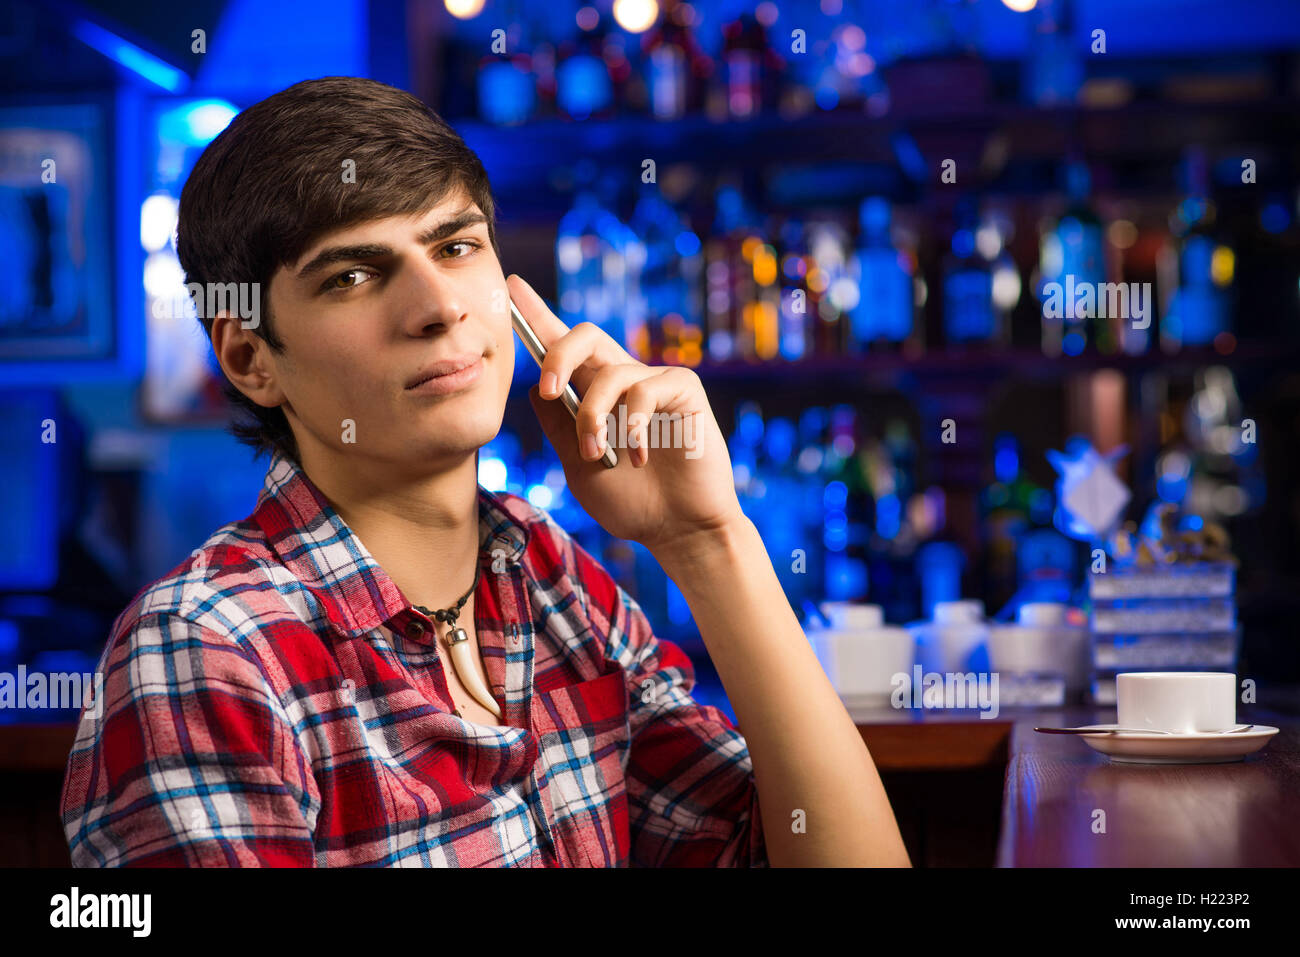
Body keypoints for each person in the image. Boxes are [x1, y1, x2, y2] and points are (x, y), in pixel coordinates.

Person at [59, 77, 909, 868]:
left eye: (457, 246)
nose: (439, 307)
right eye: (353, 275)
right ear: (251, 359)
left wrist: (708, 539)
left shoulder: (552, 581)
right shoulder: (208, 645)